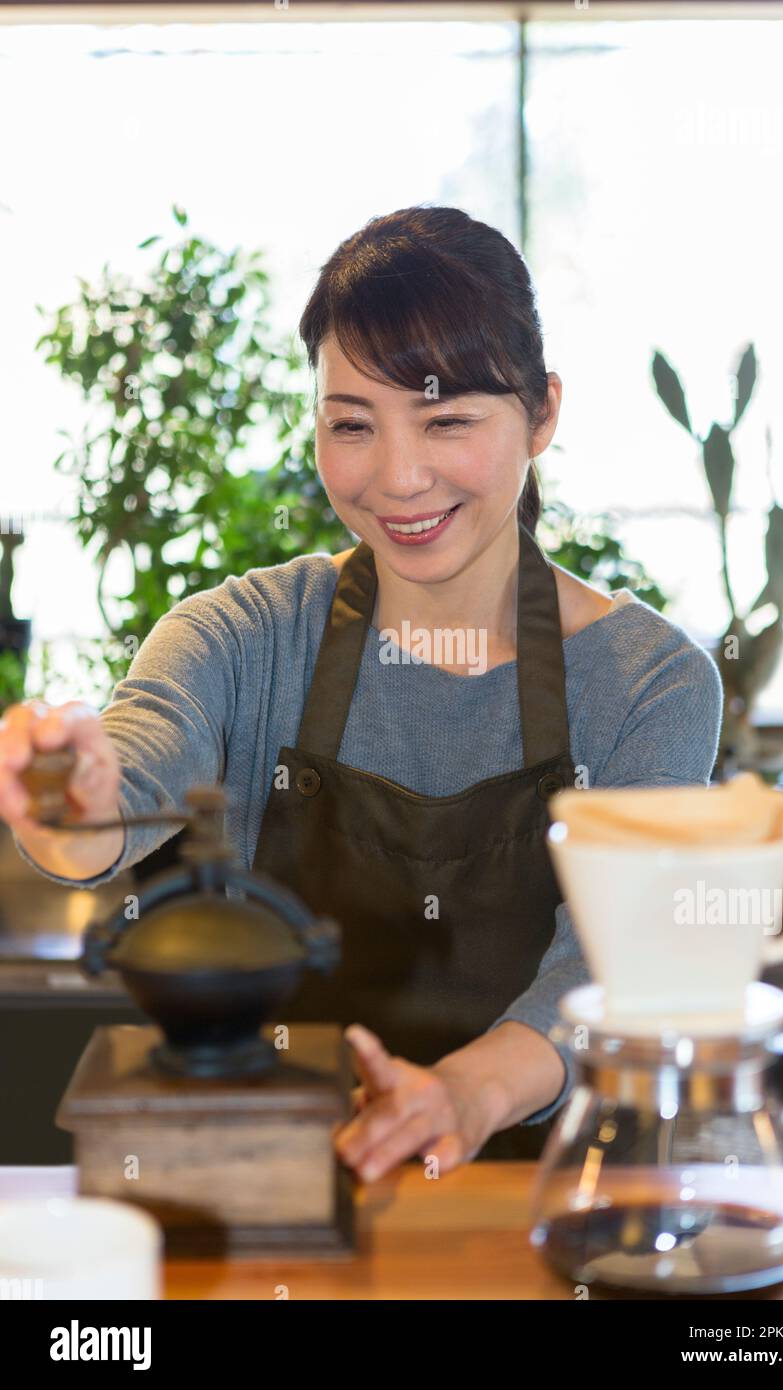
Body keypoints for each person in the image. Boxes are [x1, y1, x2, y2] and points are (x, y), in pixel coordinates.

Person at [0, 205, 722, 1180]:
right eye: (351, 424)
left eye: (446, 420)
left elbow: (609, 964)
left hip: (551, 1204)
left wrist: (460, 1093)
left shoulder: (648, 682)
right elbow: (128, 773)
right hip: (285, 1189)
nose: (398, 477)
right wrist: (72, 793)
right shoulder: (246, 634)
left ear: (541, 413)